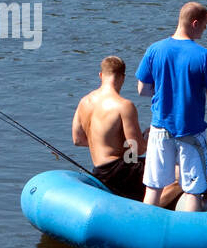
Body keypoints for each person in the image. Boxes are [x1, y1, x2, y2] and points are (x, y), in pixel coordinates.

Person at [136, 2, 207, 212]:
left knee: (154, 188)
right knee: (193, 191)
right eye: (204, 26)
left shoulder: (154, 50)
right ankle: (190, 239)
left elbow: (142, 89)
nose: (204, 30)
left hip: (159, 131)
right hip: (191, 133)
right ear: (195, 23)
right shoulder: (205, 56)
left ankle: (145, 231)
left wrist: (164, 91)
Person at [72, 56, 181, 207]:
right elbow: (138, 149)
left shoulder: (84, 101)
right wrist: (150, 138)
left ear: (101, 75)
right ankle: (147, 215)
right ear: (122, 77)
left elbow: (77, 139)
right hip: (121, 170)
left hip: (99, 171)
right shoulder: (123, 106)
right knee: (181, 176)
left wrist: (107, 145)